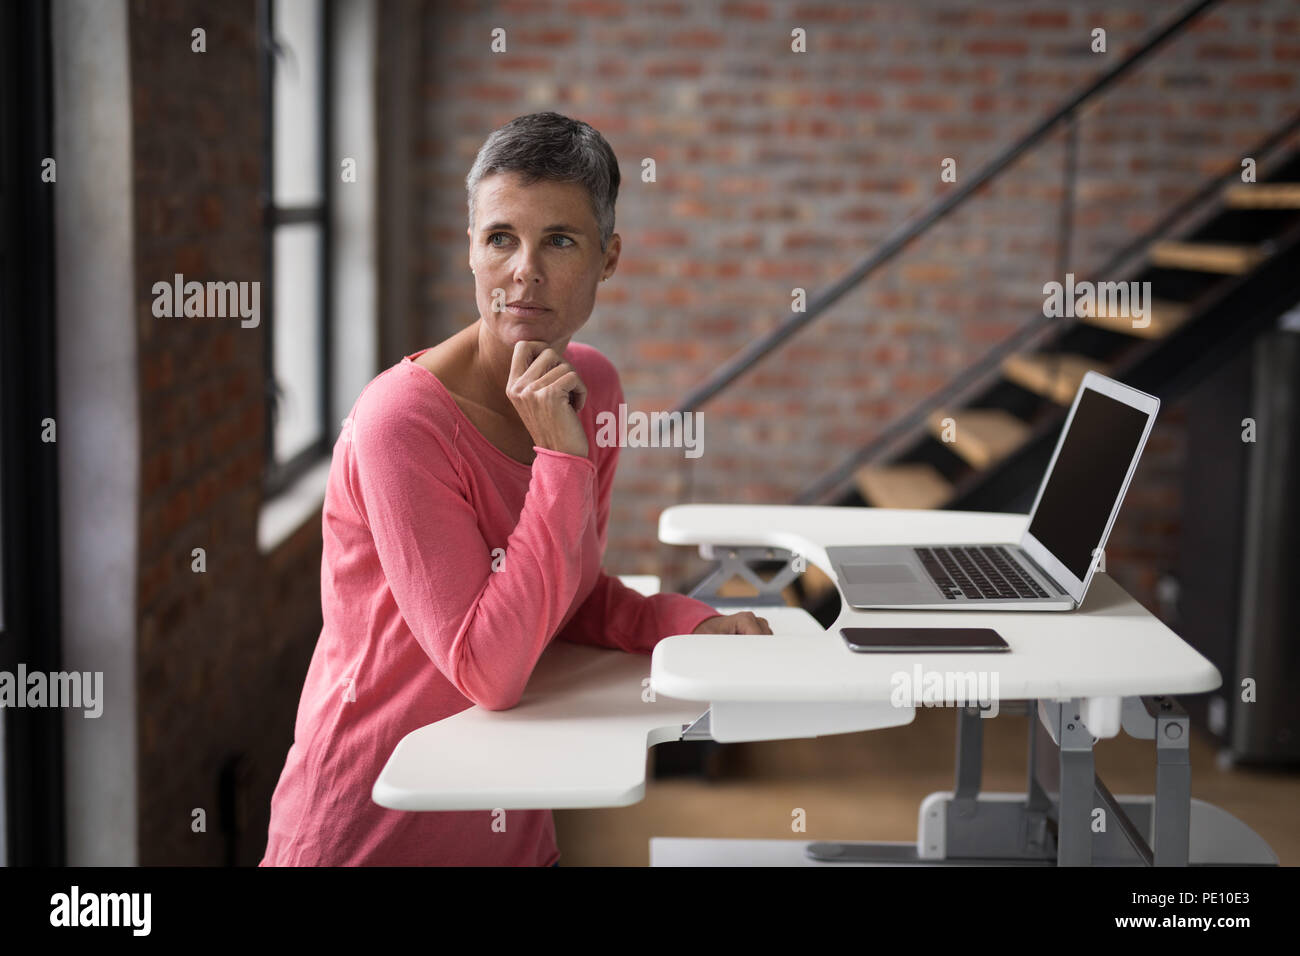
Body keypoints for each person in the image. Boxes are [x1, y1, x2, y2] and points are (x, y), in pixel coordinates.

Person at [260, 112, 770, 866]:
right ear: (470, 247)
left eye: (559, 240)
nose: (524, 270)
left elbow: (566, 594)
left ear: (609, 257)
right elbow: (487, 670)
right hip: (369, 827)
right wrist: (561, 461)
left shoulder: (592, 384)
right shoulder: (398, 423)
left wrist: (682, 622)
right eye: (500, 237)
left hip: (509, 823)